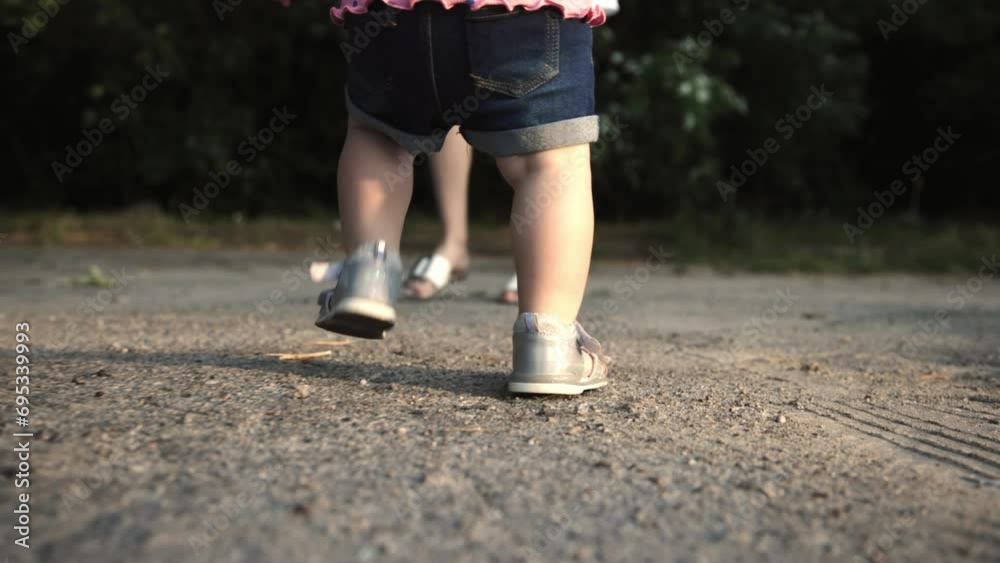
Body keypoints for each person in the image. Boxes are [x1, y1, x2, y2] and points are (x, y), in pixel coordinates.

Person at [291, 0, 612, 395]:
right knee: (549, 166)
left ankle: (367, 274)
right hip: (526, 18)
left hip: (390, 20)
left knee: (378, 137)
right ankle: (548, 341)